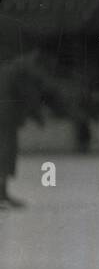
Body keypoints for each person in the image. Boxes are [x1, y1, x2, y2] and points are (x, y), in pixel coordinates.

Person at [0, 49, 51, 210]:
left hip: (5, 118)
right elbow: (28, 95)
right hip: (7, 119)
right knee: (6, 154)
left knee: (5, 154)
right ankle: (2, 194)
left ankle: (2, 194)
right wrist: (38, 117)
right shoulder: (19, 72)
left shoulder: (7, 70)